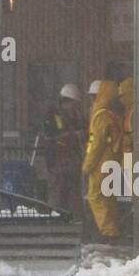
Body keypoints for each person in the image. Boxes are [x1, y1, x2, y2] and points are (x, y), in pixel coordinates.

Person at [83, 79, 124, 240]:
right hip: (111, 160)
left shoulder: (100, 116)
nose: (93, 100)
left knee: (97, 196)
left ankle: (108, 232)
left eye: (94, 96)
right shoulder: (113, 114)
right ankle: (112, 229)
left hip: (101, 163)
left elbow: (97, 144)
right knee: (108, 196)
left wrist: (87, 165)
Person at [38, 83, 87, 213]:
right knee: (57, 193)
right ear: (66, 101)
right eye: (74, 104)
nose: (75, 107)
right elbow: (49, 136)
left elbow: (86, 132)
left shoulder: (78, 116)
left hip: (73, 161)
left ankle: (73, 220)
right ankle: (55, 221)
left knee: (74, 195)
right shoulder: (52, 115)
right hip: (56, 161)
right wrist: (72, 135)